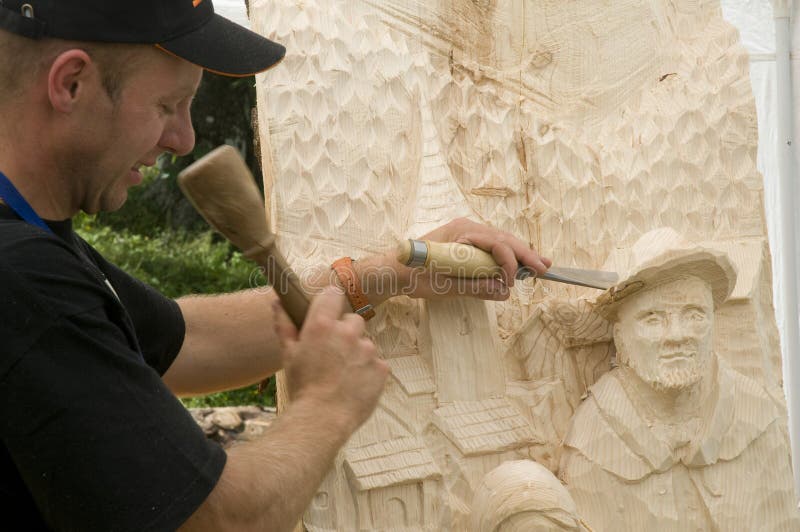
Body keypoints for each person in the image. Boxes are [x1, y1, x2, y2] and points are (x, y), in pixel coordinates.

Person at [0, 1, 552, 530]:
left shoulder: (42, 247)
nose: (184, 138)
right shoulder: (23, 280)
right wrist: (328, 405)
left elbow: (190, 340)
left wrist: (391, 273)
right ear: (71, 83)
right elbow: (217, 523)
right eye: (167, 106)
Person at [558, 228, 800, 531]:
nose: (676, 335)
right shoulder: (594, 434)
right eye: (653, 319)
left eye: (694, 315)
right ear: (620, 338)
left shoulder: (757, 414)